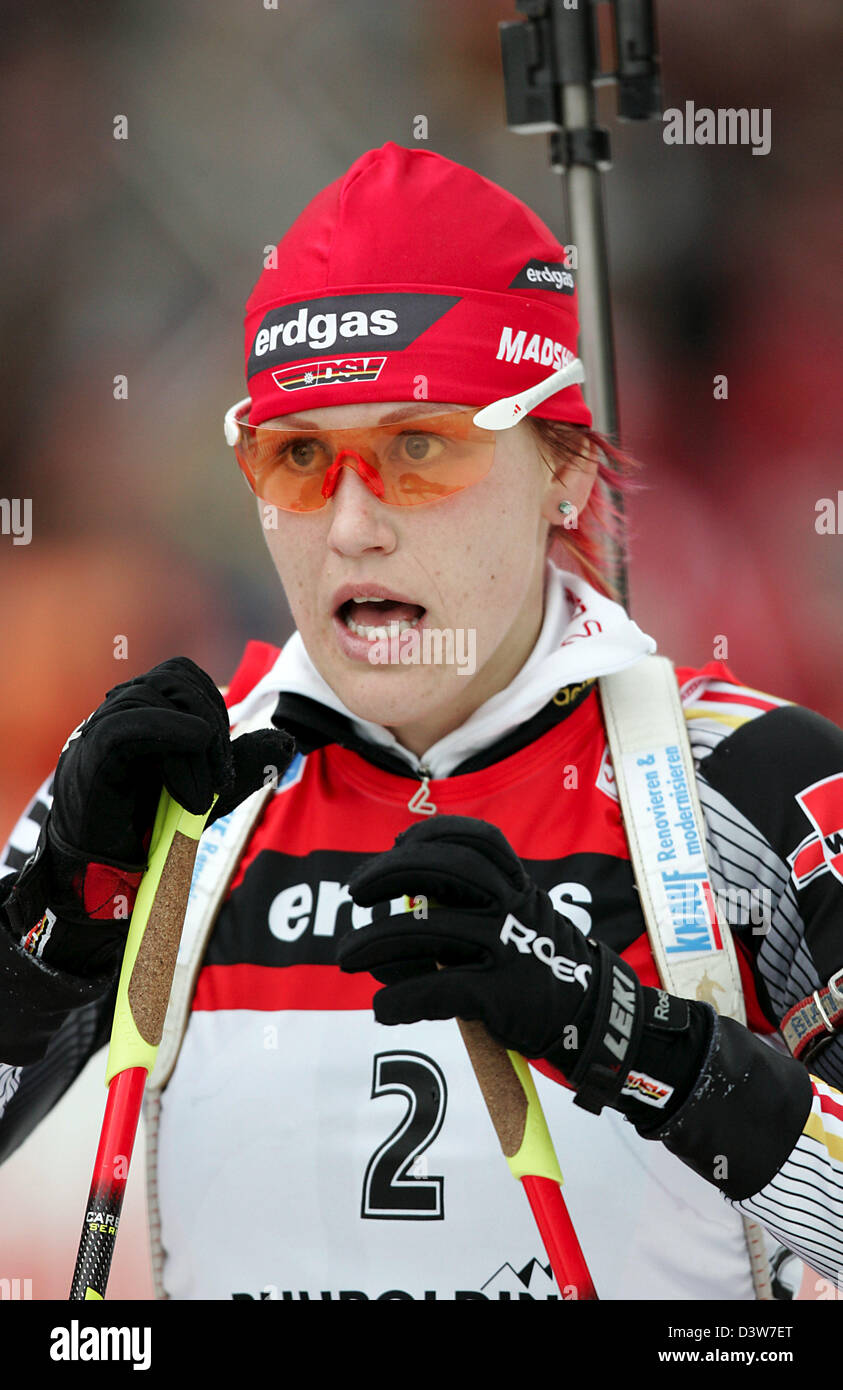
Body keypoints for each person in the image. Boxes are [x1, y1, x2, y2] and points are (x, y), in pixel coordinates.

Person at [1, 143, 842, 1302]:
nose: (351, 527)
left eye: (418, 449)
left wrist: (639, 1046)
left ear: (564, 468)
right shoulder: (174, 796)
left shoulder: (751, 787)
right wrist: (44, 946)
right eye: (301, 459)